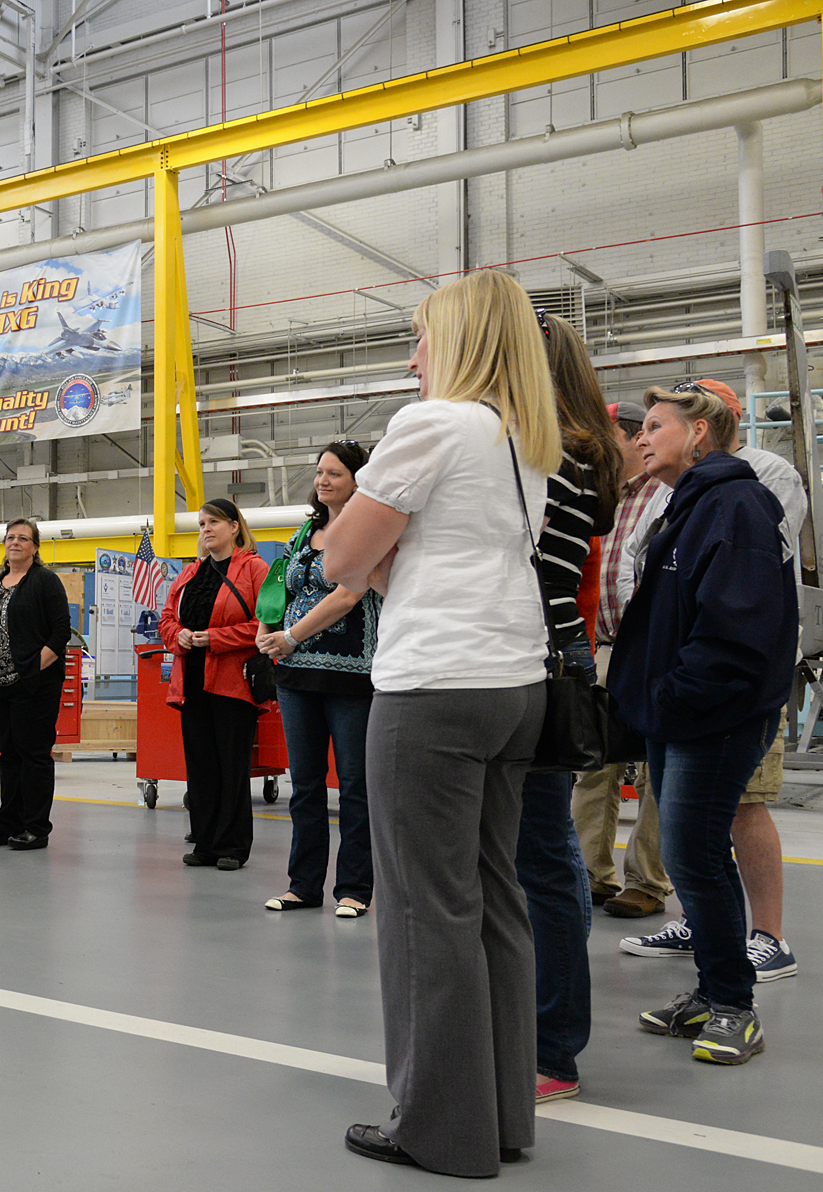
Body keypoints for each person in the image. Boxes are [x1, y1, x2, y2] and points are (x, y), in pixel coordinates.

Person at [324, 269, 558, 1177]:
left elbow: (346, 556)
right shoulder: (522, 440)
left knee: (423, 908)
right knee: (494, 897)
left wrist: (364, 540)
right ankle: (500, 1118)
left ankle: (435, 1125)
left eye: (423, 338)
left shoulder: (434, 424)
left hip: (433, 690)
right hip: (513, 684)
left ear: (459, 343)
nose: (413, 356)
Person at [610, 386, 797, 1067]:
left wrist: (677, 697)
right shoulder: (692, 507)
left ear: (701, 434)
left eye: (656, 426)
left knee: (693, 853)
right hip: (684, 714)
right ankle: (714, 988)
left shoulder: (737, 505)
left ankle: (734, 1010)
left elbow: (737, 630)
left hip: (713, 718)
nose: (641, 438)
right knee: (694, 856)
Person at [516, 311, 623, 1105]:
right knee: (546, 857)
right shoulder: (589, 452)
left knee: (541, 861)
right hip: (560, 651)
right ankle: (550, 1037)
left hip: (535, 655)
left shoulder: (550, 455)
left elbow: (539, 575)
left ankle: (554, 1047)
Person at [256, 441, 379, 915]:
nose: (324, 481)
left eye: (336, 474)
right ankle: (303, 885)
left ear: (357, 480)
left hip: (351, 676)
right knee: (304, 785)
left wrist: (291, 635)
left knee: (353, 786)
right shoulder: (304, 530)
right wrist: (267, 634)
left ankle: (354, 889)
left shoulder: (368, 528)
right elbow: (277, 586)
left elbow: (349, 595)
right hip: (296, 677)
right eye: (320, 472)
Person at [573, 401, 671, 920]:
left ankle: (648, 881)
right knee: (593, 761)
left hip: (656, 650)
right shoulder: (603, 497)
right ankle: (590, 871)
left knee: (658, 766)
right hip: (607, 645)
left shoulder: (668, 493)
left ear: (631, 438)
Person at [158, 498, 270, 872]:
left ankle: (233, 846)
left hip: (233, 684)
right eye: (201, 524)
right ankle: (204, 842)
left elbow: (265, 624)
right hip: (191, 683)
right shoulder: (189, 574)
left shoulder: (254, 569)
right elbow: (166, 621)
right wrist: (182, 637)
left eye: (213, 523)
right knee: (201, 765)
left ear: (234, 527)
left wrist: (215, 638)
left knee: (231, 766)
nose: (205, 529)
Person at [0, 518, 71, 851]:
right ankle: (8, 822)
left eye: (23, 539)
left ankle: (36, 827)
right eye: (10, 538)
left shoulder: (45, 581)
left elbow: (60, 634)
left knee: (34, 754)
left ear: (35, 547)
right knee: (8, 754)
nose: (15, 543)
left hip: (34, 685)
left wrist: (32, 668)